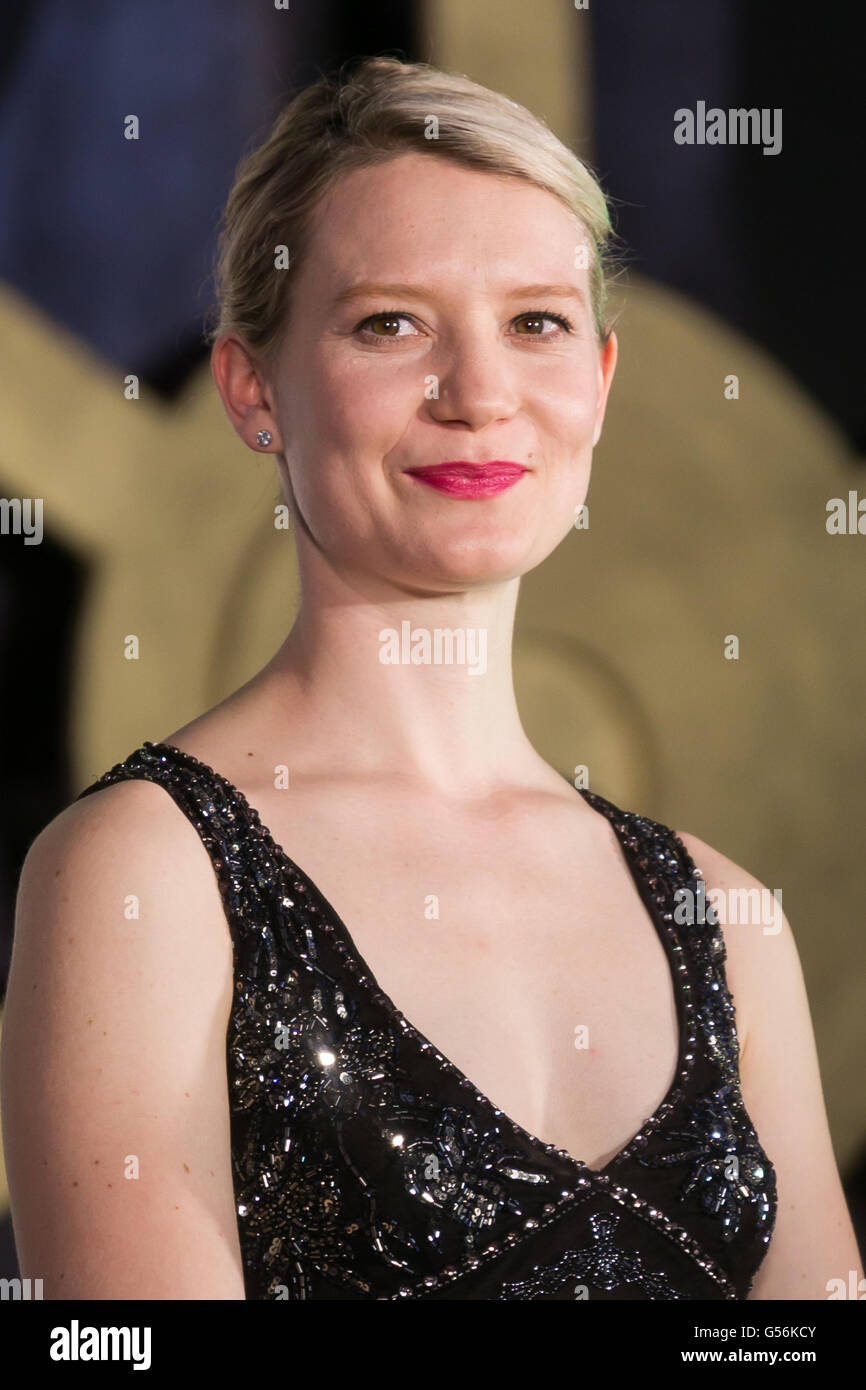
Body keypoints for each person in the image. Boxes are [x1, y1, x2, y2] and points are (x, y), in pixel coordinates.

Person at [1, 56, 861, 1301]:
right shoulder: (142, 878)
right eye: (390, 323)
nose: (479, 394)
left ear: (601, 386)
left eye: (535, 323)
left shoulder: (725, 920)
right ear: (253, 391)